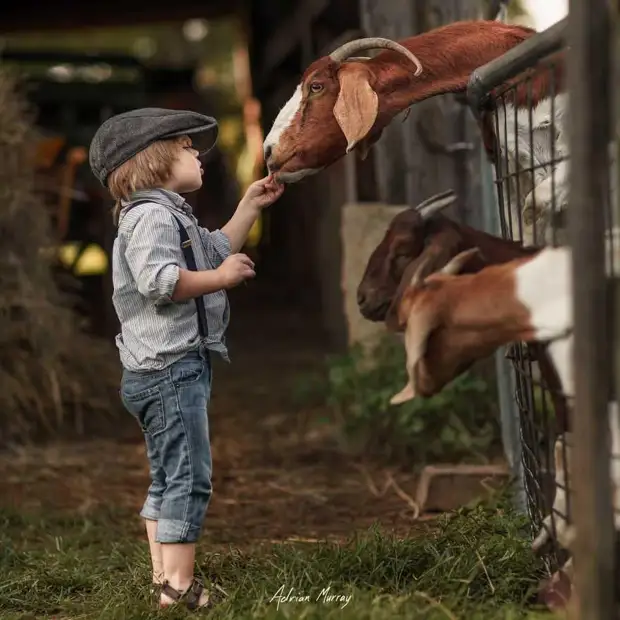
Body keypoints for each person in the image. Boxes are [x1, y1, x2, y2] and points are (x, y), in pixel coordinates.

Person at [88, 107, 284, 610]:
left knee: (167, 474)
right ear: (152, 161)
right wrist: (220, 280)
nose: (198, 153)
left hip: (161, 369)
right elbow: (162, 282)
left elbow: (213, 249)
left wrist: (249, 206)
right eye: (186, 146)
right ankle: (178, 590)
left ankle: (163, 577)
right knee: (190, 476)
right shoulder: (152, 217)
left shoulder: (167, 213)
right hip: (169, 370)